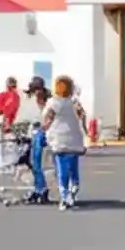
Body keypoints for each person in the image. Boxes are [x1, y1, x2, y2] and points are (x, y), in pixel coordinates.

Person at [44, 75, 88, 211]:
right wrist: (86, 131)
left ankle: (65, 196)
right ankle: (74, 188)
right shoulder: (74, 102)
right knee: (73, 167)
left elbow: (48, 119)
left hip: (59, 138)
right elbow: (83, 116)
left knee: (62, 169)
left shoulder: (54, 103)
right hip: (74, 138)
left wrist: (43, 128)